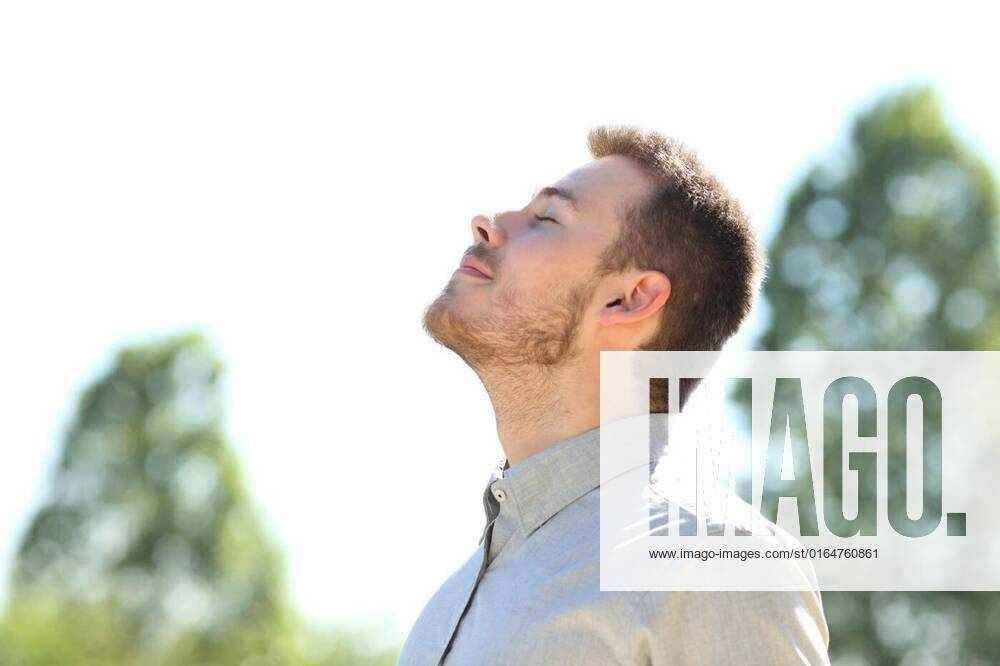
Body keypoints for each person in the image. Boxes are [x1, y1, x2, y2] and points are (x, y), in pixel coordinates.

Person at [400, 125, 830, 665]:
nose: (488, 224)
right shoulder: (450, 604)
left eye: (547, 218)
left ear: (629, 299)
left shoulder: (712, 560)